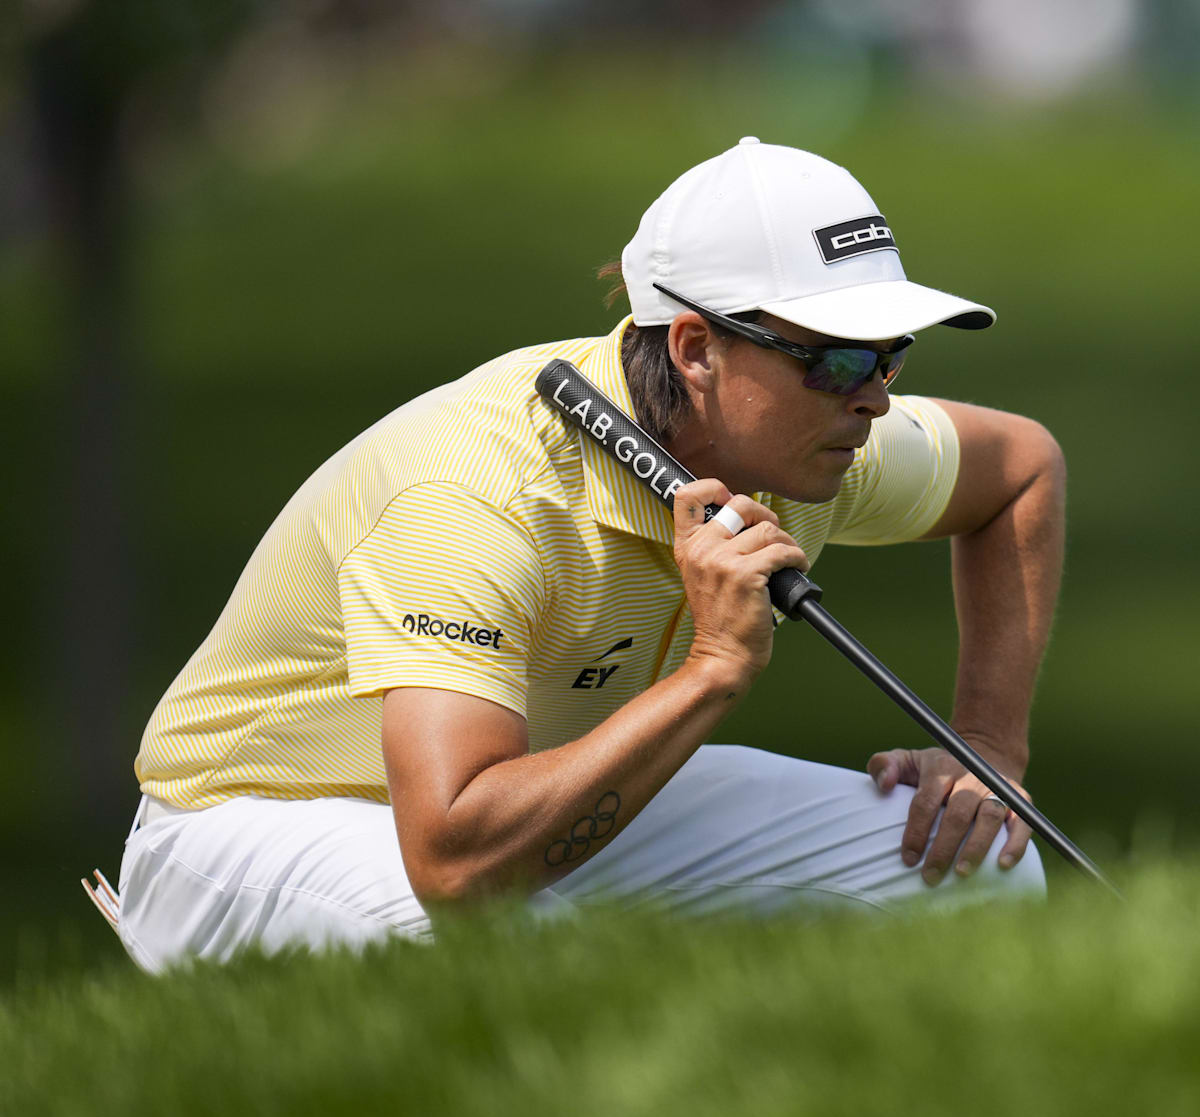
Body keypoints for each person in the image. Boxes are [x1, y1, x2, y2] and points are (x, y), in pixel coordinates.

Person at [102, 137, 1058, 971]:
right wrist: (714, 671)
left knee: (978, 865)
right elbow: (455, 867)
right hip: (242, 826)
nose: (875, 399)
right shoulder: (480, 491)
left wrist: (988, 750)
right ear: (694, 348)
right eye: (840, 360)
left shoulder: (803, 439)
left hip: (528, 798)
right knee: (503, 952)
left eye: (889, 355)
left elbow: (1021, 470)